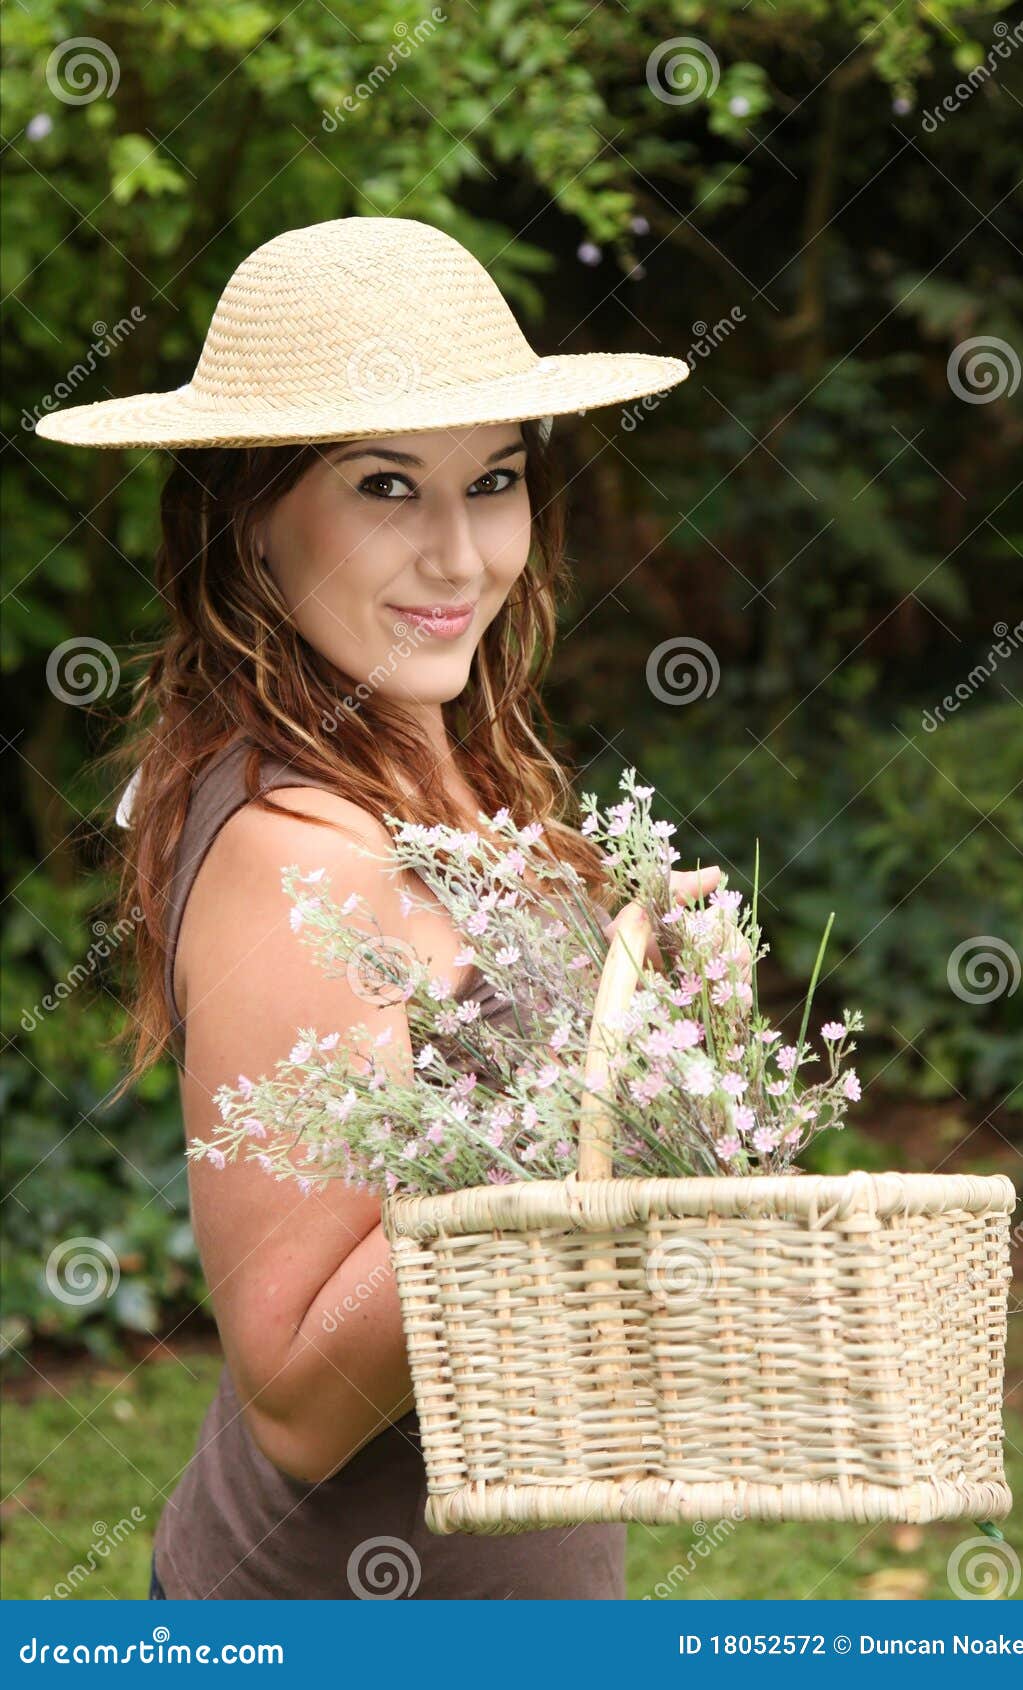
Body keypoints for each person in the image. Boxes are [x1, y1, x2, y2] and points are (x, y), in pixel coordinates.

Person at [36, 215, 716, 1599]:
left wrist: (663, 1027)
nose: (462, 557)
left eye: (497, 480)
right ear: (252, 514)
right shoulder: (302, 845)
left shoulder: (436, 756)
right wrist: (566, 1132)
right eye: (389, 487)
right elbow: (291, 1385)